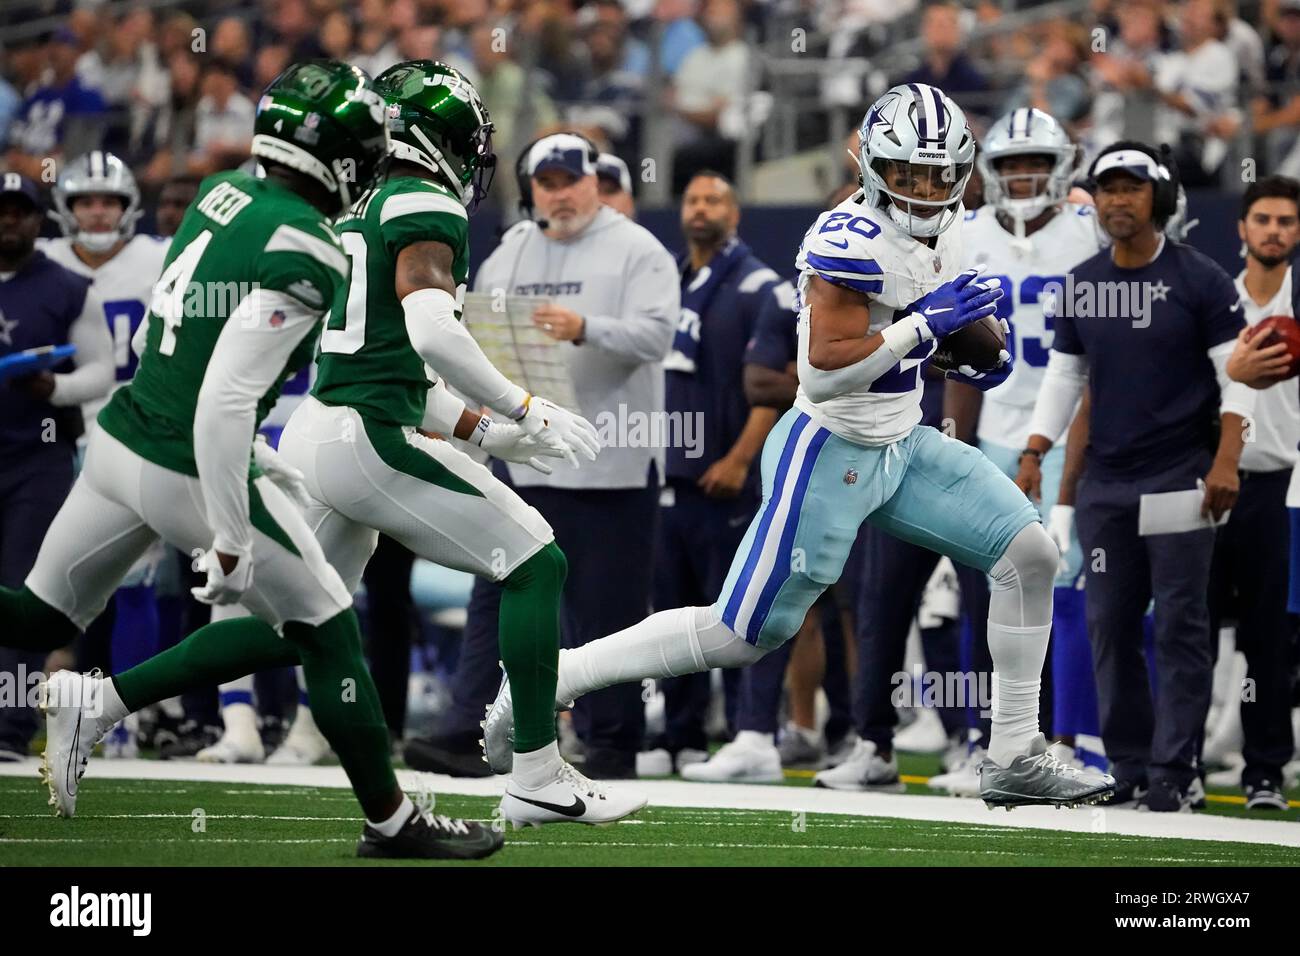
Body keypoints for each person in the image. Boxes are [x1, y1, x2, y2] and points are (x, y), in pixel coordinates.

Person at [485, 83, 1116, 811]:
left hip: (902, 442)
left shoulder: (954, 229)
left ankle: (1011, 754)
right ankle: (557, 676)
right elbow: (825, 368)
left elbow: (945, 342)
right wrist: (923, 327)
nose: (923, 189)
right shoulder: (849, 238)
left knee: (1029, 555)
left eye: (937, 175)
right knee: (741, 632)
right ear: (877, 168)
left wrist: (961, 349)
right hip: (829, 447)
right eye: (907, 174)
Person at [1, 61, 500, 859]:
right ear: (340, 159)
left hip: (122, 439)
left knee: (38, 616)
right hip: (189, 464)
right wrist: (230, 532)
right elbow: (228, 401)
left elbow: (185, 355)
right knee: (330, 626)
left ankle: (94, 706)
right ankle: (393, 823)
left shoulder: (218, 193)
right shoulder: (308, 245)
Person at [277, 60, 641, 826]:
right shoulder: (423, 201)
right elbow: (433, 333)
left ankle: (104, 700)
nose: (473, 158)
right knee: (536, 559)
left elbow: (396, 363)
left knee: (297, 620)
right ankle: (538, 771)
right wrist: (527, 405)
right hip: (366, 434)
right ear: (436, 138)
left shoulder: (366, 203)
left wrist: (492, 429)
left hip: (325, 424)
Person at [409, 131, 678, 780]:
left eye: (568, 181)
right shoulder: (512, 249)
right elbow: (471, 333)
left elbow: (657, 333)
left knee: (607, 615)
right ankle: (469, 729)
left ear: (593, 180)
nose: (558, 194)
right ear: (529, 190)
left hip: (611, 464)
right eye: (545, 184)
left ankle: (611, 744)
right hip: (526, 459)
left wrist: (585, 328)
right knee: (495, 595)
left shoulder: (636, 248)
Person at [1018, 141, 1256, 812]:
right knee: (1109, 624)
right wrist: (1035, 449)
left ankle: (1175, 771)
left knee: (1181, 625)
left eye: (1132, 187)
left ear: (1162, 199)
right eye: (1108, 188)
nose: (1118, 200)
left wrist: (1226, 459)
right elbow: (1066, 375)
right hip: (1107, 485)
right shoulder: (1083, 280)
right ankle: (1125, 763)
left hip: (1182, 479)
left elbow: (1236, 380)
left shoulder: (1202, 279)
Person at [932, 107, 1106, 796]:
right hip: (996, 425)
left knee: (1063, 588)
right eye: (1012, 165)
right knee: (991, 585)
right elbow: (953, 352)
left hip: (1070, 428)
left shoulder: (1089, 229)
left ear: (1061, 166)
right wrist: (958, 440)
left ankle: (1069, 738)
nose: (1026, 176)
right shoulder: (965, 234)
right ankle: (990, 739)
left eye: (1037, 162)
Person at [645, 170, 784, 781]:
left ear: (736, 214)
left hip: (727, 479)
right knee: (671, 617)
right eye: (692, 199)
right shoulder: (668, 281)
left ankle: (748, 733)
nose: (700, 208)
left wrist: (740, 458)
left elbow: (774, 389)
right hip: (669, 473)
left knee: (735, 616)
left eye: (715, 200)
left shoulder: (761, 287)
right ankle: (680, 733)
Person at [40, 151, 171, 758]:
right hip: (57, 435)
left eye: (108, 201)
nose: (96, 211)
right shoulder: (44, 262)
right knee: (53, 581)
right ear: (67, 209)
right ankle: (43, 708)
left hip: (138, 432)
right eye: (86, 200)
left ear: (127, 208)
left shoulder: (158, 259)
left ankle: (126, 714)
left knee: (137, 581)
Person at [0, 173, 112, 762]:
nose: (10, 221)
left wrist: (55, 388)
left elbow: (101, 369)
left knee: (24, 588)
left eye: (21, 211)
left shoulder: (69, 287)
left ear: (39, 220)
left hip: (37, 459)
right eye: (3, 211)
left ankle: (10, 727)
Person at [1215, 175, 1300, 810]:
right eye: (1263, 219)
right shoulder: (1215, 302)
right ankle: (1176, 764)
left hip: (1279, 486)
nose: (1273, 230)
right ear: (1242, 229)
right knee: (1186, 629)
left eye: (1286, 221)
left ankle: (1265, 772)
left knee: (1270, 638)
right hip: (1207, 481)